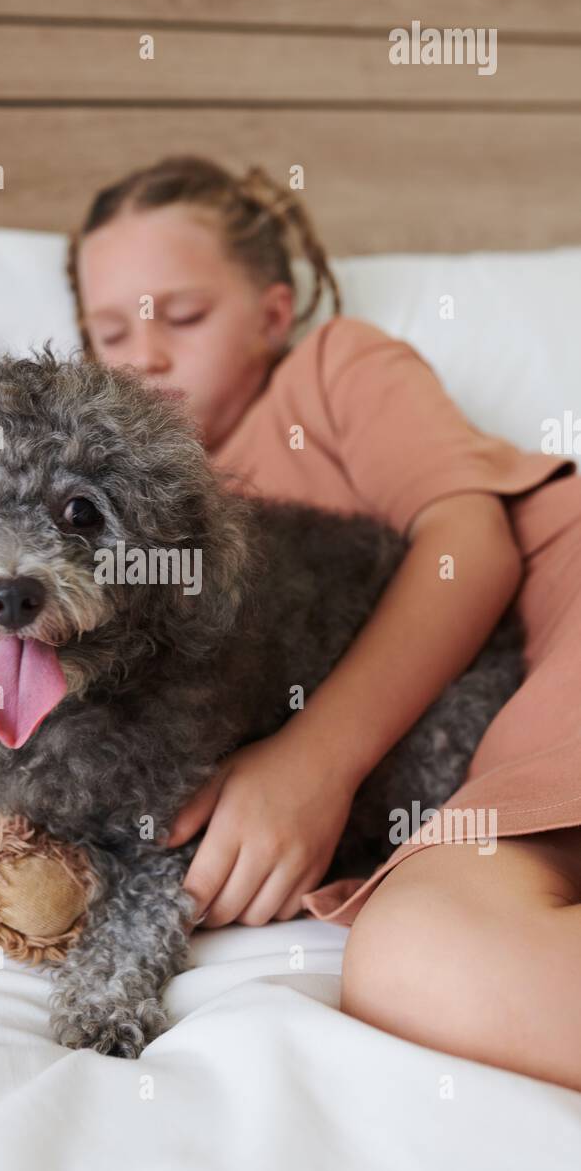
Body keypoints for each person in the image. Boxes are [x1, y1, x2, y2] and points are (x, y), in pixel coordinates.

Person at [66, 153, 581, 1090]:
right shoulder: (105, 514)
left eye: (182, 316)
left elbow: (471, 543)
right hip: (515, 722)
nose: (143, 353)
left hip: (563, 601)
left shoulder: (331, 368)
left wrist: (315, 760)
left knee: (431, 953)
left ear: (272, 314)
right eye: (108, 333)